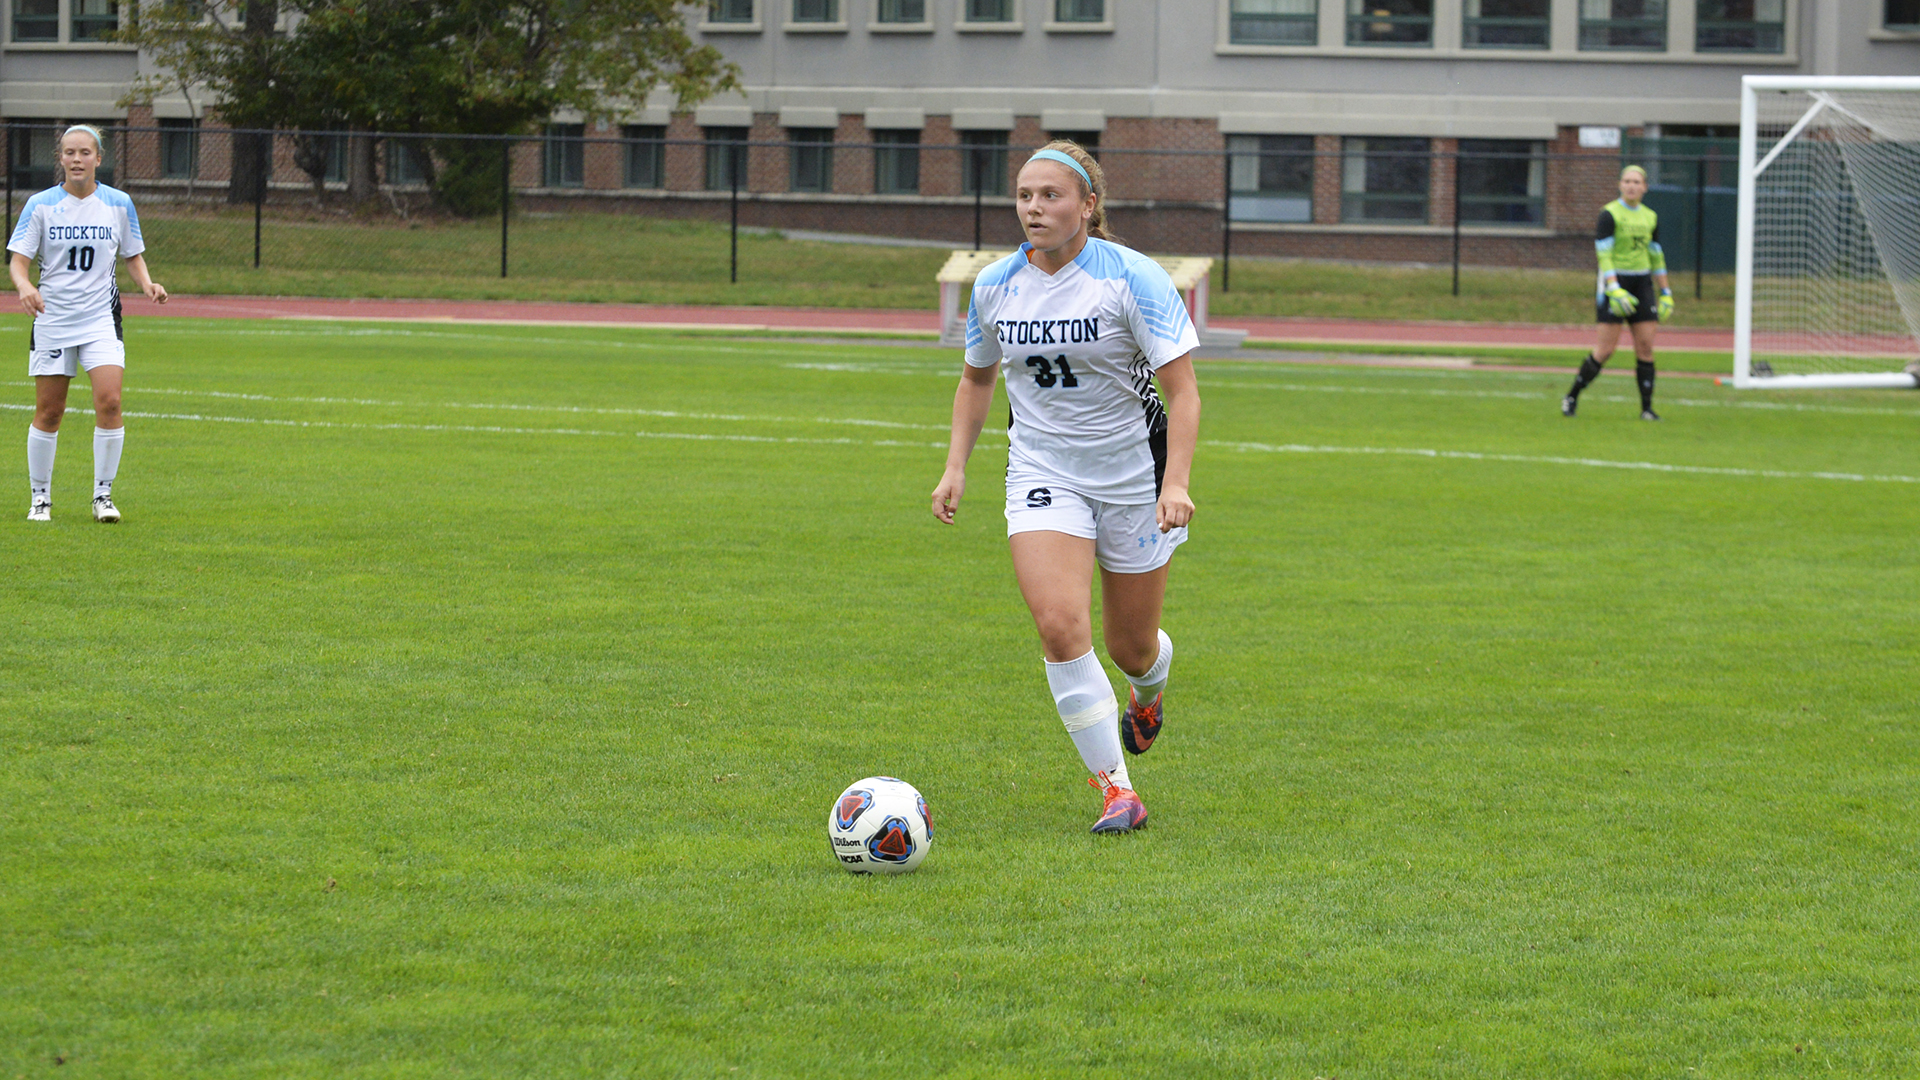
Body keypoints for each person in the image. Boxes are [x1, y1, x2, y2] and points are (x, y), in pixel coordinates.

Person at [930, 141, 1200, 835]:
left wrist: (1176, 484)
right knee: (1058, 625)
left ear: (1088, 205)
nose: (1034, 208)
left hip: (1135, 476)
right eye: (1024, 195)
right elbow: (976, 378)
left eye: (1050, 195)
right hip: (1044, 474)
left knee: (1129, 647)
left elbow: (1183, 392)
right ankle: (1118, 790)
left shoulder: (1130, 278)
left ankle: (1149, 687)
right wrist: (956, 466)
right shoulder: (995, 286)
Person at [11, 123, 168, 523]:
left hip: (100, 318)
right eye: (69, 153)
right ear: (60, 159)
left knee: (111, 401)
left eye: (85, 153)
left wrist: (147, 284)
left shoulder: (119, 203)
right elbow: (18, 261)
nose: (77, 159)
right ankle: (40, 499)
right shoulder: (41, 204)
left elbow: (131, 254)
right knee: (49, 411)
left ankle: (103, 497)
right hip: (53, 319)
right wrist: (25, 286)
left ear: (99, 158)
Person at [1562, 164, 1671, 421]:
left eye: (1636, 182)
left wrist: (1665, 291)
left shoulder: (1650, 217)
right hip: (1616, 283)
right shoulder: (1609, 214)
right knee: (1605, 350)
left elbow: (1656, 255)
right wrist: (1614, 288)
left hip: (1642, 282)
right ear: (1620, 185)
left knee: (1645, 346)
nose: (1631, 186)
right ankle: (1572, 396)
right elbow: (1604, 255)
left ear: (1644, 187)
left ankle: (1647, 409)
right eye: (1626, 181)